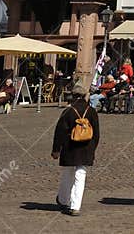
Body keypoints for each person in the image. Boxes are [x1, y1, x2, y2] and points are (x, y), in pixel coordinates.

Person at [52, 85, 100, 216]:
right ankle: (75, 205)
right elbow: (96, 133)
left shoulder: (68, 111)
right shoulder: (91, 111)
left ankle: (63, 200)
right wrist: (93, 148)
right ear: (85, 96)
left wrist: (56, 149)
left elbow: (60, 132)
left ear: (72, 96)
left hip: (70, 147)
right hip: (86, 147)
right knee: (81, 175)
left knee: (67, 174)